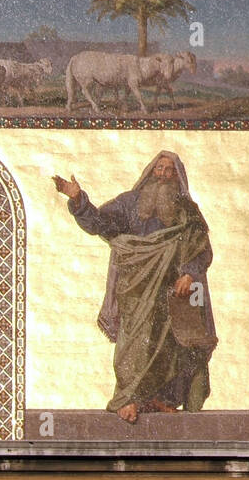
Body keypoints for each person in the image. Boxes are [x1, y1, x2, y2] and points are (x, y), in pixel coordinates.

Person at [52, 150, 216, 424]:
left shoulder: (187, 209)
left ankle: (161, 398)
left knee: (173, 344)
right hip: (136, 287)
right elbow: (101, 223)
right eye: (159, 169)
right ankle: (127, 398)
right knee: (135, 342)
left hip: (173, 290)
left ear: (178, 176)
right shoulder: (129, 203)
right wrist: (78, 199)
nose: (163, 175)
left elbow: (201, 245)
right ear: (150, 171)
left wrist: (189, 273)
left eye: (169, 170)